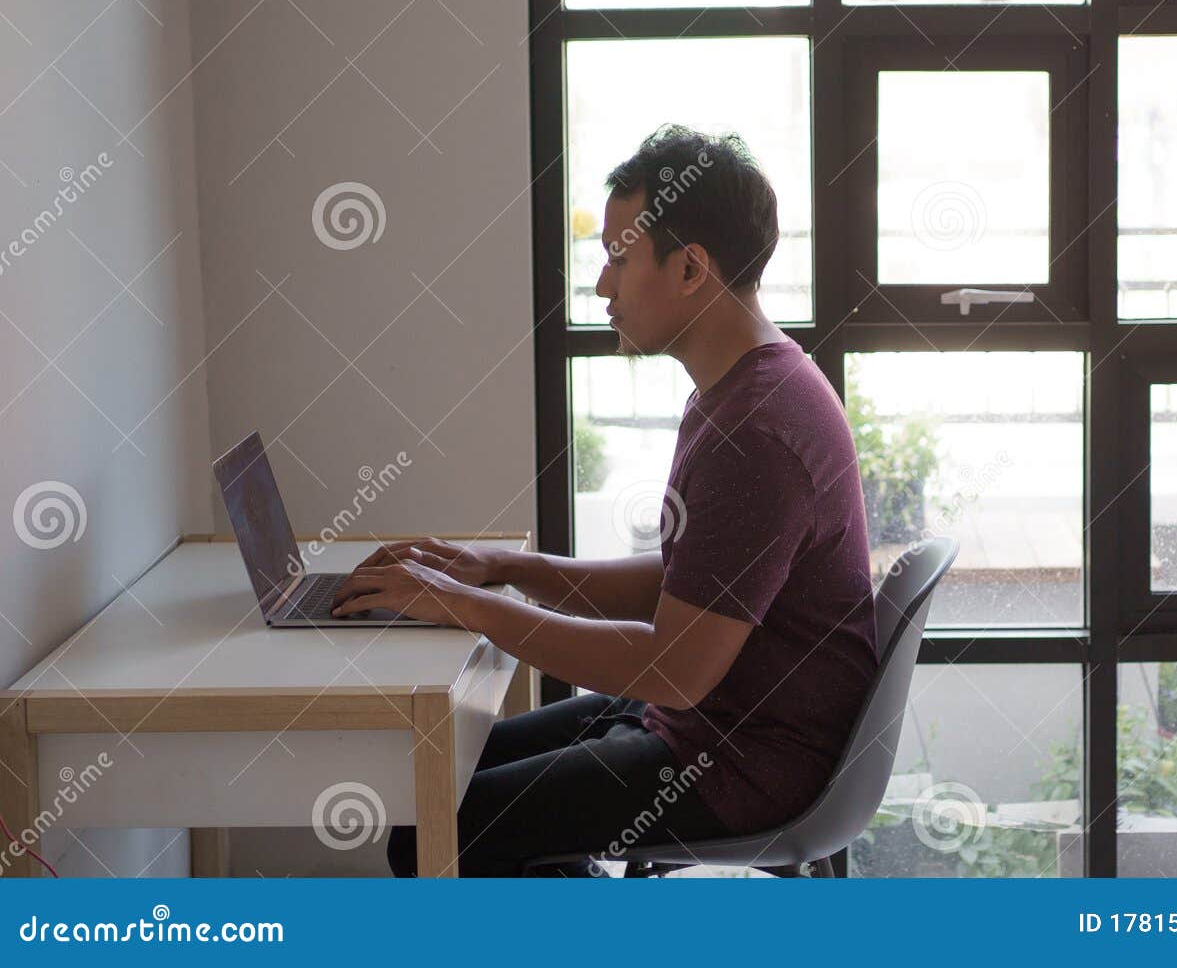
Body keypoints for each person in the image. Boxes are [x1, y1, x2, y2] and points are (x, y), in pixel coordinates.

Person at [332, 124, 878, 877]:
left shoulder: (756, 431)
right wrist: (503, 569)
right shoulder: (747, 387)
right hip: (713, 722)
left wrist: (465, 605)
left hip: (742, 760)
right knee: (433, 779)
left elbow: (674, 669)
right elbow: (689, 587)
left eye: (619, 258)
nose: (601, 286)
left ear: (690, 268)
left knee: (428, 834)